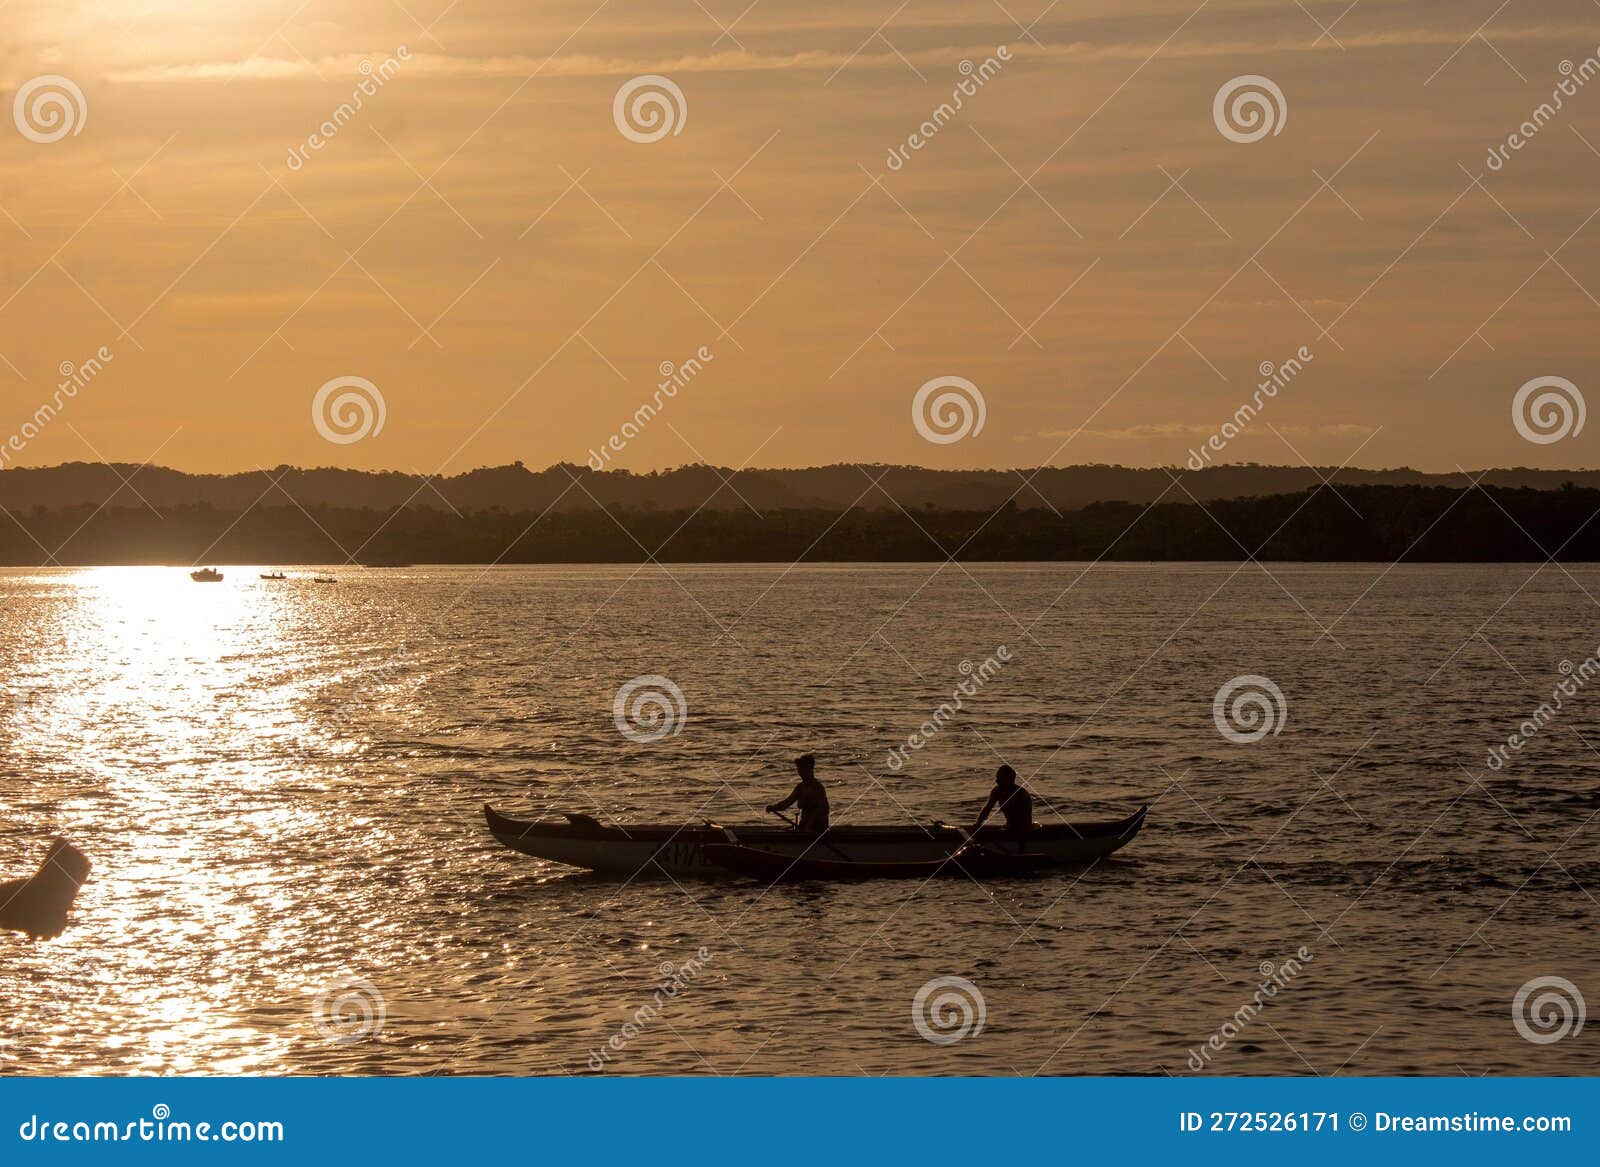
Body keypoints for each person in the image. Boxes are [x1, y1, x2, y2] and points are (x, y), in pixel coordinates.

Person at [972, 764, 1033, 847]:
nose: (996, 781)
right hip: (1008, 827)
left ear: (1009, 780)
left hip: (1022, 829)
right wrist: (978, 824)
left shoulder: (1021, 794)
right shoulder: (997, 790)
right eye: (997, 778)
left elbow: (1025, 820)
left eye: (999, 778)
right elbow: (987, 809)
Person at [767, 753, 830, 833]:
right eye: (799, 769)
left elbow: (821, 809)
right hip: (805, 826)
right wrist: (774, 807)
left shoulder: (817, 788)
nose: (800, 772)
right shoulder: (800, 787)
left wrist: (809, 825)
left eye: (802, 769)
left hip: (818, 827)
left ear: (810, 769)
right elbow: (787, 802)